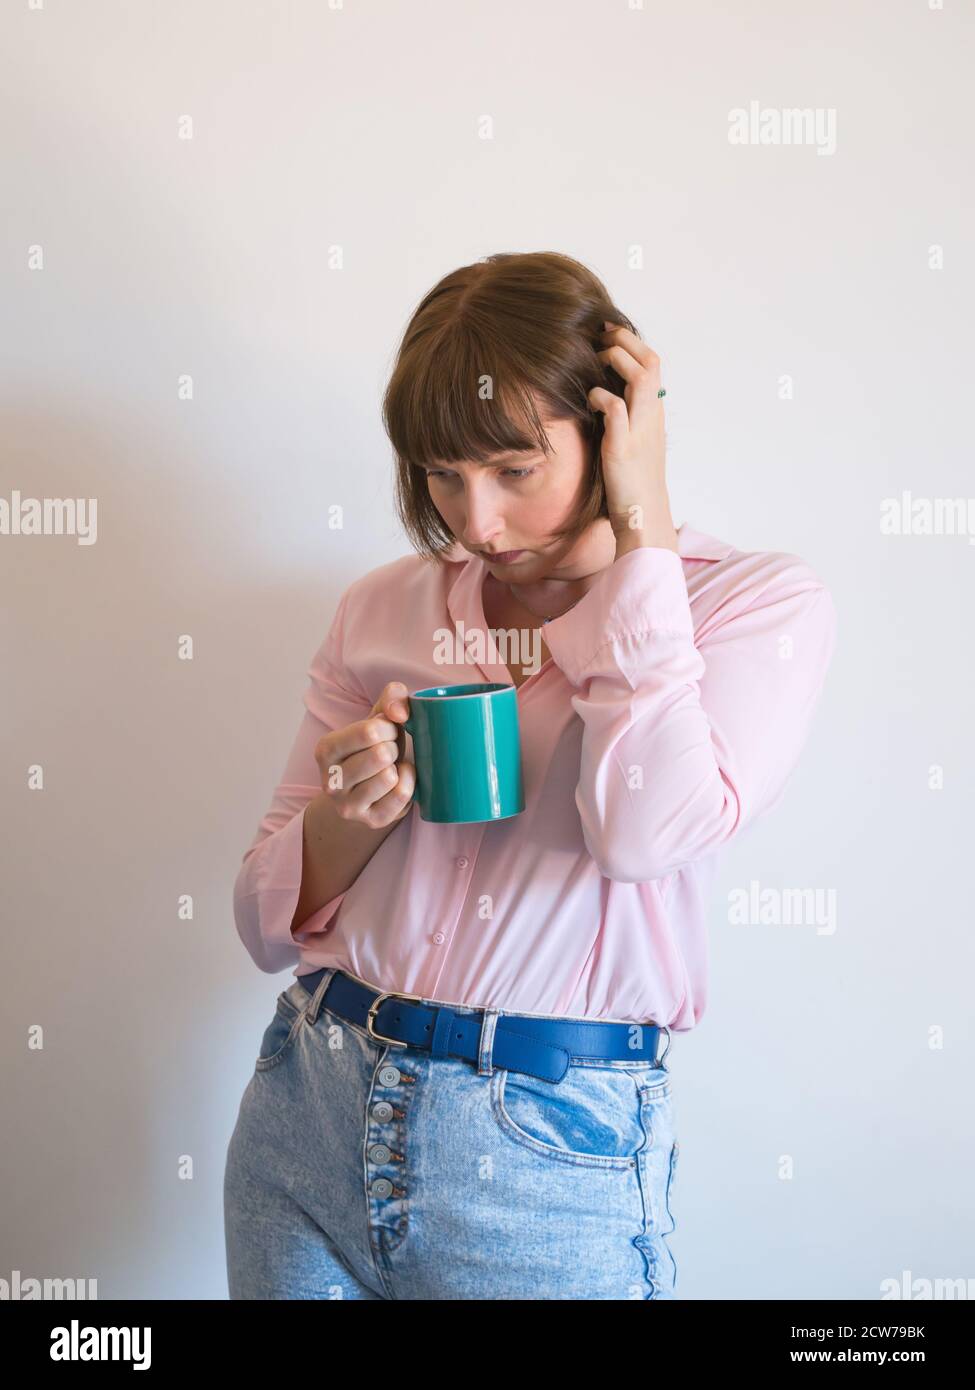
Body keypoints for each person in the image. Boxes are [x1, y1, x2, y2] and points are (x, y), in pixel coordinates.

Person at [223, 250, 837, 1300]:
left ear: (615, 431)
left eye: (514, 468)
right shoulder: (381, 609)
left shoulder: (754, 606)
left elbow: (645, 836)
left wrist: (641, 536)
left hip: (545, 1154)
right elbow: (261, 922)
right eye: (442, 473)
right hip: (306, 1113)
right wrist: (353, 815)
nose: (475, 523)